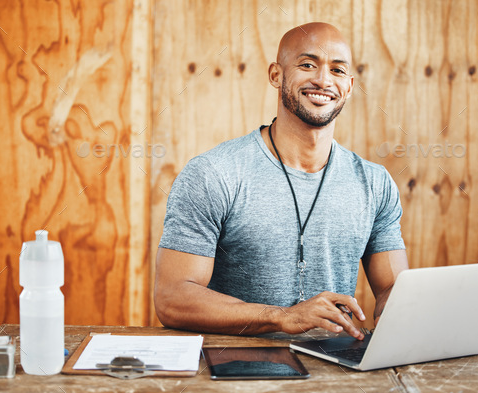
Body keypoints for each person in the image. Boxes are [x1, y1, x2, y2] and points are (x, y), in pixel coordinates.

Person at [154, 22, 408, 340]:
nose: (323, 80)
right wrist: (282, 317)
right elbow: (172, 299)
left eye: (338, 70)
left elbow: (392, 290)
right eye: (307, 65)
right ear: (276, 75)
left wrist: (399, 319)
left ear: (350, 85)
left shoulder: (374, 183)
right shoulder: (213, 174)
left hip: (337, 375)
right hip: (239, 374)